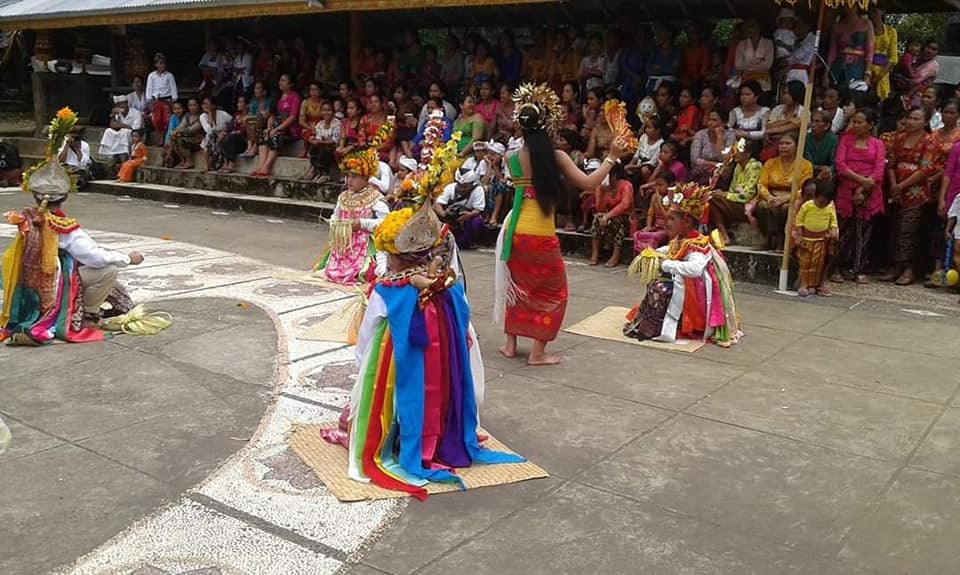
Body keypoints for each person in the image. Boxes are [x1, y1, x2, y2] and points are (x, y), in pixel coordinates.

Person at [339, 158, 524, 499]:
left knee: (396, 397)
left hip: (399, 362)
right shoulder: (449, 286)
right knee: (438, 395)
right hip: (443, 362)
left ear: (394, 256)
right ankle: (440, 436)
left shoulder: (387, 289)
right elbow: (465, 327)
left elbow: (366, 338)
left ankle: (397, 440)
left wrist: (363, 364)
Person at [494, 83, 624, 366]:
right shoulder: (557, 157)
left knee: (517, 287)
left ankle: (510, 344)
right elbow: (590, 184)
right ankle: (537, 353)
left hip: (514, 232)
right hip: (540, 235)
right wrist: (612, 157)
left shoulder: (511, 157)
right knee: (554, 291)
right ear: (548, 125)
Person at [3, 109, 142, 344]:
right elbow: (93, 256)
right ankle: (86, 315)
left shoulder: (27, 217)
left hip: (31, 287)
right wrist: (127, 258)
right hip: (55, 287)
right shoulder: (62, 225)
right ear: (64, 197)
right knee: (108, 269)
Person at [623, 182, 741, 346]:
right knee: (655, 284)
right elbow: (672, 249)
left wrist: (665, 264)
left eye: (671, 218)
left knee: (661, 288)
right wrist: (654, 253)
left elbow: (695, 269)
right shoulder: (682, 239)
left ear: (686, 221)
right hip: (684, 286)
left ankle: (663, 326)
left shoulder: (697, 244)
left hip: (696, 294)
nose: (667, 222)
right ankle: (648, 324)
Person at [312, 145, 391, 285]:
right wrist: (335, 223)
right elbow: (335, 215)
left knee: (367, 273)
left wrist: (362, 224)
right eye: (347, 176)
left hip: (365, 245)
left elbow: (387, 223)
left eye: (354, 177)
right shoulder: (343, 196)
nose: (348, 180)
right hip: (343, 245)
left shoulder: (376, 198)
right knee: (329, 272)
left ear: (367, 177)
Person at [883, 107, 939, 285]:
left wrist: (902, 185)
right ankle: (896, 266)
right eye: (909, 118)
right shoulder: (898, 139)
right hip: (896, 190)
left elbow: (925, 169)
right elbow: (891, 163)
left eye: (916, 119)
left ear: (925, 122)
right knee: (895, 228)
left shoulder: (929, 141)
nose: (911, 122)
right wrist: (894, 185)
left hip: (916, 192)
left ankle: (909, 268)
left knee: (910, 230)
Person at [832, 108, 885, 284]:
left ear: (870, 125)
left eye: (859, 122)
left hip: (868, 191)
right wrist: (860, 179)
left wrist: (864, 187)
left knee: (863, 232)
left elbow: (879, 168)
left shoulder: (877, 144)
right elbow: (840, 165)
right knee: (843, 231)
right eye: (854, 121)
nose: (855, 125)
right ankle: (836, 267)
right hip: (846, 189)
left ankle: (859, 269)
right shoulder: (845, 140)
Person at [755, 131, 813, 250]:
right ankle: (768, 236)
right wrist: (769, 197)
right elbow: (761, 184)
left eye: (788, 143)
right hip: (772, 196)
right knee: (762, 206)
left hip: (792, 197)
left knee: (786, 208)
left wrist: (786, 198)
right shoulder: (770, 163)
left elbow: (805, 189)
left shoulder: (805, 165)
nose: (783, 146)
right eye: (781, 143)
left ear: (797, 146)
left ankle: (782, 238)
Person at [709, 139, 763, 245]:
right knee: (711, 198)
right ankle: (723, 235)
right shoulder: (738, 166)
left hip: (749, 204)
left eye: (739, 150)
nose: (735, 153)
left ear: (748, 153)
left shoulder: (755, 166)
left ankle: (724, 235)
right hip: (737, 200)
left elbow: (748, 195)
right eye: (734, 150)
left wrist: (725, 195)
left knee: (715, 198)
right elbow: (732, 188)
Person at [793, 180, 839, 297]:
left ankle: (814, 284)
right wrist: (799, 236)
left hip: (821, 241)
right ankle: (803, 284)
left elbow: (833, 222)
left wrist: (833, 231)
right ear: (816, 196)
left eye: (826, 202)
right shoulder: (807, 206)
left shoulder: (829, 207)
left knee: (817, 264)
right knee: (805, 263)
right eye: (821, 201)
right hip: (807, 240)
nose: (823, 204)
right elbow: (799, 221)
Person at [252, 73, 301, 177]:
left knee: (275, 136)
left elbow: (292, 117)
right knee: (264, 134)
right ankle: (261, 165)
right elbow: (272, 114)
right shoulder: (278, 97)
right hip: (276, 124)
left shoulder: (295, 97)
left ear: (290, 84)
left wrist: (276, 129)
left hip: (289, 129)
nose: (280, 83)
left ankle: (267, 167)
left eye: (283, 80)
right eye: (280, 80)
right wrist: (269, 128)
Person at [588, 162, 633, 267]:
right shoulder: (601, 187)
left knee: (617, 222)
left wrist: (608, 216)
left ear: (615, 175)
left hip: (625, 217)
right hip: (606, 217)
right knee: (597, 219)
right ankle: (595, 253)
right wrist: (601, 192)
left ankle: (615, 255)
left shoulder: (626, 185)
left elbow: (625, 205)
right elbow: (600, 208)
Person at [826, 5, 875, 92]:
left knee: (854, 95)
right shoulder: (837, 27)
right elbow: (832, 52)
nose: (848, 7)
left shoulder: (867, 24)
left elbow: (870, 50)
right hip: (838, 67)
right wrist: (826, 73)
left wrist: (867, 74)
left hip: (858, 68)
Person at [436, 169, 486, 249]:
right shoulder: (450, 187)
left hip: (467, 219)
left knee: (477, 221)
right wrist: (443, 213)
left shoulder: (478, 190)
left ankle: (467, 243)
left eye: (465, 186)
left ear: (471, 184)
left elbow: (478, 209)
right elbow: (437, 204)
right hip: (450, 220)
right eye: (459, 185)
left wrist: (469, 215)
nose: (461, 189)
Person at [634, 170, 674, 255]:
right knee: (638, 234)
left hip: (668, 229)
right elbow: (650, 213)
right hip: (656, 227)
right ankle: (641, 258)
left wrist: (659, 204)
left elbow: (669, 217)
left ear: (670, 185)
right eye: (657, 185)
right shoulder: (654, 197)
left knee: (654, 237)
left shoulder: (673, 198)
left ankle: (650, 257)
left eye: (661, 185)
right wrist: (649, 225)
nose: (658, 188)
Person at [690, 110, 735, 186]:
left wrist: (719, 137)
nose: (710, 123)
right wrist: (714, 164)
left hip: (720, 172)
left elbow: (724, 159)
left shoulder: (730, 136)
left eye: (714, 120)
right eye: (709, 119)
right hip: (701, 170)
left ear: (724, 123)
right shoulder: (700, 134)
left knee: (724, 171)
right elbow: (695, 159)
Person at [763, 81, 804, 161]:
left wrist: (768, 132)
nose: (784, 96)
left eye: (787, 93)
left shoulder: (803, 112)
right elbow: (768, 126)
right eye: (784, 93)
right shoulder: (777, 109)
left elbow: (787, 128)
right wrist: (788, 120)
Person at [732, 19, 775, 94]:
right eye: (747, 27)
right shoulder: (742, 43)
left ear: (759, 28)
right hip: (746, 80)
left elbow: (768, 65)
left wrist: (747, 64)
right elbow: (738, 65)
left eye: (752, 26)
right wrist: (757, 61)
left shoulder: (768, 43)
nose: (749, 29)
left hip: (763, 82)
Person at [728, 81, 769, 154]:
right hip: (738, 147)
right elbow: (728, 128)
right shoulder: (735, 111)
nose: (743, 97)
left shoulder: (764, 111)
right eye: (741, 94)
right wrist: (735, 132)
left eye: (747, 94)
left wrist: (747, 135)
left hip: (757, 147)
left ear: (756, 96)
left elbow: (764, 132)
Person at [99, 96, 143, 163]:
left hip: (134, 135)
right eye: (119, 104)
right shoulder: (118, 114)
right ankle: (110, 155)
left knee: (124, 132)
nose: (121, 106)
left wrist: (121, 125)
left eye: (123, 104)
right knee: (108, 131)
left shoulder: (136, 113)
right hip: (120, 133)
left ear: (127, 103)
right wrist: (113, 115)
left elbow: (136, 129)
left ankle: (124, 157)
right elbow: (112, 125)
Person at [214, 96, 251, 174]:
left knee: (231, 138)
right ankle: (225, 162)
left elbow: (245, 130)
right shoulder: (236, 115)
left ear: (247, 105)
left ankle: (231, 163)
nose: (238, 104)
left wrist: (237, 132)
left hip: (243, 141)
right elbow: (229, 127)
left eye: (241, 102)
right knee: (222, 137)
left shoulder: (249, 116)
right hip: (232, 138)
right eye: (238, 102)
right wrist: (224, 132)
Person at [868, 7, 898, 101]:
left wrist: (880, 76)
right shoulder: (866, 30)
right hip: (866, 70)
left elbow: (893, 58)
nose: (874, 14)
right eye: (871, 12)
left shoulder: (891, 31)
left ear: (883, 11)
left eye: (876, 11)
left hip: (882, 71)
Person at [144, 54, 177, 139]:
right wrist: (149, 101)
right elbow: (149, 88)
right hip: (156, 101)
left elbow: (173, 88)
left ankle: (166, 138)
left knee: (167, 120)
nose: (163, 65)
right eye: (160, 63)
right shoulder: (152, 76)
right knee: (156, 120)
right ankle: (160, 137)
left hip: (166, 100)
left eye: (164, 63)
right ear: (156, 65)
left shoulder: (169, 75)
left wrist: (173, 100)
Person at [308, 100, 341, 182]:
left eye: (329, 110)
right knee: (314, 149)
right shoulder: (320, 124)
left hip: (333, 149)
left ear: (333, 112)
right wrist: (313, 140)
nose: (326, 112)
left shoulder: (337, 123)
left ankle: (326, 174)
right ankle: (319, 172)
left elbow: (335, 140)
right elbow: (318, 138)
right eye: (324, 110)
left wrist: (321, 142)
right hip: (322, 146)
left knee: (326, 149)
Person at [804, 110, 839, 182]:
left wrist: (827, 170)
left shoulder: (834, 140)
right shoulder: (806, 138)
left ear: (826, 126)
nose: (813, 124)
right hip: (809, 171)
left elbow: (835, 163)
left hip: (828, 173)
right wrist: (820, 168)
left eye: (817, 121)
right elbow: (806, 161)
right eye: (812, 121)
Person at [199, 97, 232, 171]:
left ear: (213, 106)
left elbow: (233, 123)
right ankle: (206, 164)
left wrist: (225, 131)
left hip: (223, 135)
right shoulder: (203, 116)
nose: (204, 106)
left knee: (216, 140)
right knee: (209, 137)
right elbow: (209, 130)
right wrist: (210, 114)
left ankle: (213, 162)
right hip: (211, 137)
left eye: (206, 104)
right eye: (203, 104)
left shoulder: (223, 114)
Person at [170, 98, 202, 169]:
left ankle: (189, 161)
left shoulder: (201, 116)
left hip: (197, 140)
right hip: (187, 137)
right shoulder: (187, 115)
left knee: (181, 139)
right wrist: (174, 131)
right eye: (190, 105)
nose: (192, 107)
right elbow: (181, 125)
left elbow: (192, 129)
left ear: (198, 106)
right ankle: (182, 160)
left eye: (194, 105)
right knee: (174, 137)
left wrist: (179, 132)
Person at [244, 80, 273, 158]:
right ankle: (250, 145)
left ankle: (255, 145)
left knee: (258, 119)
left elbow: (266, 114)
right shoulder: (253, 102)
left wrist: (257, 116)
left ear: (264, 91)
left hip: (266, 124)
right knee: (249, 122)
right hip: (253, 124)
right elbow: (248, 116)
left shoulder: (269, 101)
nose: (255, 91)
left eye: (258, 88)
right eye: (255, 88)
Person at [299, 82, 325, 156]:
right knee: (307, 133)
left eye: (315, 90)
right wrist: (311, 127)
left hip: (322, 125)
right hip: (309, 125)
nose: (313, 92)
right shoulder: (305, 103)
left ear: (321, 91)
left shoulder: (324, 103)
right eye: (311, 90)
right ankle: (307, 149)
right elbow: (301, 120)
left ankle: (312, 151)